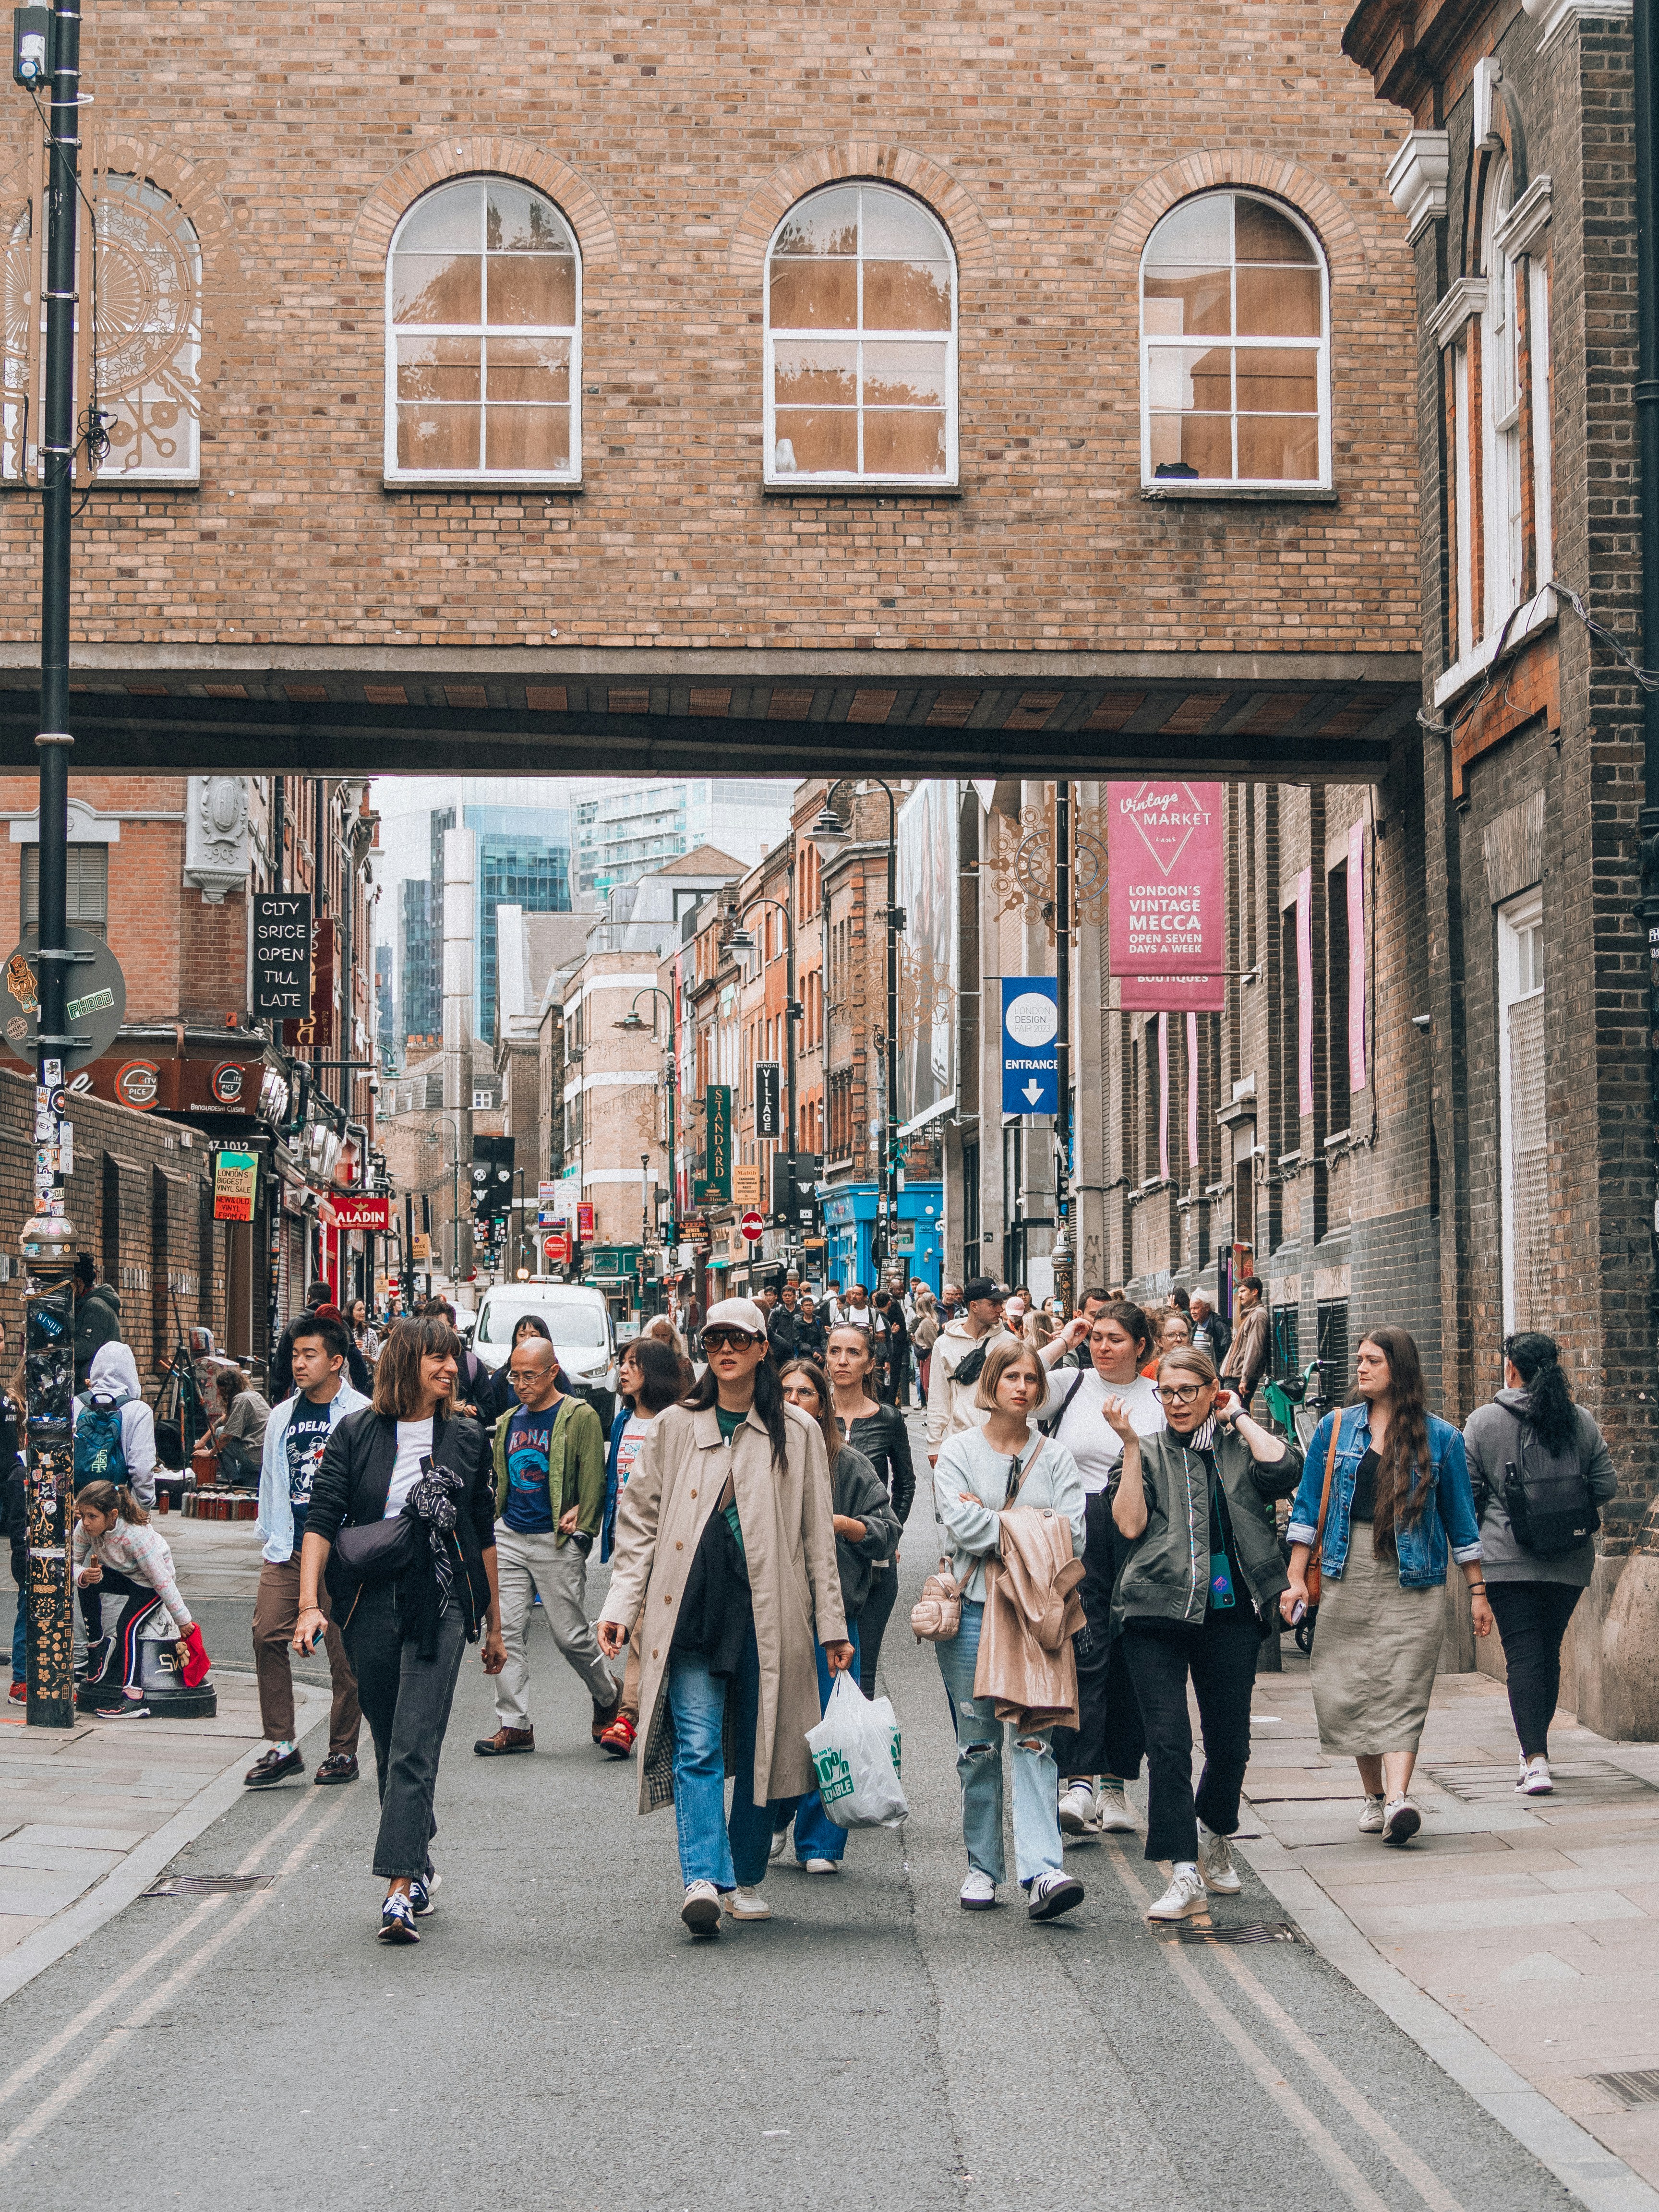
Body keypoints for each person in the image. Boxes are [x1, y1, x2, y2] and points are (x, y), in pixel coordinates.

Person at [596, 1297, 851, 1936]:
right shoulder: (678, 1425)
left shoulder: (796, 1430)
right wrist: (622, 1606)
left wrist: (833, 1626)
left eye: (740, 1339)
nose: (727, 1350)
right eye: (714, 1341)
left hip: (771, 1610)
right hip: (691, 1605)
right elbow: (639, 1524)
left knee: (764, 1746)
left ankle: (745, 1875)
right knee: (700, 1744)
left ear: (765, 1348)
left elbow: (819, 1537)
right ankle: (703, 1879)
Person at [297, 1316, 505, 1945]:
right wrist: (310, 1604)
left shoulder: (466, 1437)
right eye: (436, 1358)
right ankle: (418, 1848)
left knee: (415, 1741)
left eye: (455, 1358)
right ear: (406, 1361)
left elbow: (481, 1528)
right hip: (367, 1600)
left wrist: (494, 1623)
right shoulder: (358, 1432)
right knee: (390, 1740)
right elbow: (322, 1518)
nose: (450, 1368)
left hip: (439, 1598)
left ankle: (398, 1890)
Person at [1112, 1345, 1300, 1920]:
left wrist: (1238, 1414)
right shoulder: (1145, 1450)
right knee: (1168, 1745)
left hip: (1232, 1615)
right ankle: (1183, 1870)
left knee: (1229, 1746)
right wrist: (1127, 1448)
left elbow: (1287, 1470)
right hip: (1155, 1612)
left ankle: (1216, 1831)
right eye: (1165, 1393)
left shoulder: (1239, 1448)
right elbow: (1128, 1524)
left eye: (1187, 1392)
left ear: (1211, 1390)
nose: (1175, 1404)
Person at [1282, 1326, 1489, 1846]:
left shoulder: (1442, 1437)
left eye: (1373, 1360)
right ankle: (1374, 1797)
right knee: (1349, 1687)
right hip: (1346, 1573)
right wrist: (1295, 1578)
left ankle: (1399, 1799)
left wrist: (1479, 1592)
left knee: (1404, 1686)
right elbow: (1308, 1507)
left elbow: (1461, 1522)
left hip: (1414, 1581)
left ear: (1399, 1367)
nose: (1362, 1368)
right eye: (1359, 1360)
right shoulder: (1334, 1428)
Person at [933, 1337, 1086, 1922]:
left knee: (1034, 1737)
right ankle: (982, 1867)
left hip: (1033, 1616)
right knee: (976, 1746)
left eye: (1032, 1378)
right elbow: (960, 1525)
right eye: (1012, 1377)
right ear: (990, 1386)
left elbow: (1071, 1535)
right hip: (972, 1610)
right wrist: (1031, 1526)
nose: (1023, 1387)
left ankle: (1044, 1871)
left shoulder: (1057, 1457)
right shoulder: (959, 1453)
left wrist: (997, 1520)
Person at [1463, 1332, 1616, 1794]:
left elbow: (1467, 1494)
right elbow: (1606, 1488)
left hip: (1507, 1559)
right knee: (1546, 1654)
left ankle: (1535, 1760)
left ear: (1511, 1368)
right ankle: (1537, 1750)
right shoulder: (1581, 1421)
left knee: (1524, 1657)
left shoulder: (1484, 1422)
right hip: (1569, 1562)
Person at [1038, 1299, 1165, 1837]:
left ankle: (1114, 1783)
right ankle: (1079, 1781)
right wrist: (1065, 1339)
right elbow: (999, 1382)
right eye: (1098, 1336)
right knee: (1083, 1652)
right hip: (1078, 1526)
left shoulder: (1160, 1397)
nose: (1102, 1345)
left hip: (1142, 1527)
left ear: (1141, 1346)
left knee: (1133, 1657)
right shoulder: (1069, 1383)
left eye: (1115, 1338)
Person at [776, 1360, 900, 1873]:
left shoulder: (846, 1463)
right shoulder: (758, 1457)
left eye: (805, 1392)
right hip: (776, 1615)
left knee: (832, 1727)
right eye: (784, 1392)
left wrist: (849, 1527)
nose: (793, 1401)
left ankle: (820, 1844)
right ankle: (773, 1819)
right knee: (779, 1726)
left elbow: (887, 1528)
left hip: (834, 1615)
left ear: (822, 1405)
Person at [474, 1334, 617, 1757]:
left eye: (529, 1375)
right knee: (505, 1631)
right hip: (511, 1538)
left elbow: (594, 1478)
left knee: (570, 1636)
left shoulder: (579, 1416)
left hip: (556, 1541)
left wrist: (583, 1532)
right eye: (514, 1375)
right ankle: (514, 1724)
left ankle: (608, 1696)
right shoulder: (508, 1421)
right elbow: (502, 1482)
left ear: (553, 1372)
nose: (520, 1384)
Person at [246, 1314, 369, 1788]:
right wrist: (271, 1539)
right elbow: (271, 1482)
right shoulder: (281, 1415)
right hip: (290, 1547)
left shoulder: (361, 1414)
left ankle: (342, 1751)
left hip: (342, 1551)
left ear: (336, 1361)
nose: (298, 1363)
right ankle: (281, 1746)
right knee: (265, 1637)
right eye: (295, 1354)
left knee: (346, 1653)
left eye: (309, 1354)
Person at [598, 1338, 687, 1758]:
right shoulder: (621, 1422)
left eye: (634, 1364)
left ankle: (629, 1715)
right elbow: (613, 1483)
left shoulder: (675, 1422)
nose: (625, 1370)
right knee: (639, 1627)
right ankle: (641, 1711)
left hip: (666, 1540)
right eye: (623, 1363)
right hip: (626, 1539)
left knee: (642, 1628)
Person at [823, 1321, 914, 1696]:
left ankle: (859, 1749)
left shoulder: (887, 1419)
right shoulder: (807, 1413)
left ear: (869, 1363)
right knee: (820, 1665)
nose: (842, 1361)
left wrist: (892, 1532)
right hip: (821, 1557)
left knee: (863, 1670)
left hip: (872, 1559)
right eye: (835, 1352)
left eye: (853, 1353)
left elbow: (905, 1483)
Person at [72, 1478, 202, 1718]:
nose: (86, 1523)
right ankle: (98, 1646)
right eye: (83, 1515)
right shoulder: (84, 1530)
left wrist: (183, 1620)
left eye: (92, 1516)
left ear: (112, 1515)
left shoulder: (135, 1537)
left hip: (149, 1583)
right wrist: (82, 1574)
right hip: (124, 1575)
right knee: (87, 1583)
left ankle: (135, 1698)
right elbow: (71, 1563)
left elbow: (162, 1580)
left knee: (127, 1626)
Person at [72, 1343, 160, 1675]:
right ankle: (109, 1663)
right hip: (117, 1510)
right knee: (113, 1580)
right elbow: (142, 1468)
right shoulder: (136, 1410)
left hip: (80, 1507)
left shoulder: (76, 1404)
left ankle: (81, 1659)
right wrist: (144, 1507)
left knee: (79, 1577)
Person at [926, 1277, 1015, 1465]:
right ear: (974, 1306)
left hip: (1003, 1442)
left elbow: (1021, 1395)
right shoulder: (945, 1343)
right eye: (994, 1304)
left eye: (1001, 1303)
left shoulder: (1009, 1342)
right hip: (959, 1441)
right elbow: (938, 1397)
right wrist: (935, 1444)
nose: (1001, 1309)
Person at [272, 1281, 372, 1399]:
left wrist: (277, 1394)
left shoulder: (295, 1324)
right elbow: (356, 1361)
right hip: (337, 1393)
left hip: (302, 1393)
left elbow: (282, 1363)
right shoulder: (342, 1325)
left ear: (308, 1298)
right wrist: (365, 1393)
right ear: (330, 1300)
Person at [209, 1368, 271, 1489]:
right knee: (247, 1488)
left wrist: (211, 1453)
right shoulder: (254, 1395)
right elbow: (225, 1419)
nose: (220, 1394)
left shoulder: (241, 1399)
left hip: (254, 1455)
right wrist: (203, 1441)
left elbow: (227, 1437)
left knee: (221, 1432)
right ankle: (242, 1484)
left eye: (221, 1390)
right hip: (264, 1456)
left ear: (229, 1389)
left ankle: (232, 1480)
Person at [72, 1254, 123, 1390]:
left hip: (92, 1386)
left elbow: (86, 1348)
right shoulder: (86, 1304)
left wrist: (55, 1350)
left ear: (78, 1283)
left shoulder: (95, 1307)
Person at [1219, 1278, 1269, 1412]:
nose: (1239, 1295)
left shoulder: (1258, 1316)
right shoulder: (1251, 1315)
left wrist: (1245, 1378)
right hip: (1236, 1377)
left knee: (1235, 1413)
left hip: (1239, 1378)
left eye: (1243, 1291)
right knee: (1236, 1413)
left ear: (1255, 1292)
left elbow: (1255, 1349)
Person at [873, 1290, 910, 1407]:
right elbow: (882, 1340)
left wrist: (891, 1331)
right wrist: (886, 1359)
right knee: (887, 1386)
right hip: (885, 1358)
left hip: (882, 1357)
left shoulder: (879, 1318)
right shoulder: (882, 1318)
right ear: (889, 1303)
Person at [911, 1288, 939, 1399]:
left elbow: (933, 1342)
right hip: (924, 1357)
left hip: (929, 1357)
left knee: (928, 1386)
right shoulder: (924, 1322)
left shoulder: (926, 1322)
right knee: (925, 1385)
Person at [1190, 1293, 1230, 1365]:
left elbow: (1226, 1356)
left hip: (1213, 1374)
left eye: (1196, 1308)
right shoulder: (1194, 1328)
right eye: (1191, 1309)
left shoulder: (1219, 1327)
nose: (1193, 1312)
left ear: (1207, 1308)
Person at [766, 1283, 801, 1366]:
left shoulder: (801, 1311)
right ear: (782, 1296)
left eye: (790, 1295)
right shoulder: (777, 1312)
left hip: (799, 1348)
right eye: (785, 1296)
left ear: (795, 1296)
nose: (787, 1298)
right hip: (783, 1349)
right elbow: (771, 1331)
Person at [794, 1295, 827, 1363]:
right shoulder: (797, 1322)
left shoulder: (818, 1320)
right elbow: (797, 1341)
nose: (809, 1307)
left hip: (818, 1355)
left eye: (810, 1305)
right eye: (806, 1305)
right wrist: (812, 1352)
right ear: (802, 1308)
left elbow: (824, 1338)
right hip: (804, 1356)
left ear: (814, 1307)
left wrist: (822, 1354)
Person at [350, 1298, 382, 1366]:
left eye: (364, 1309)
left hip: (365, 1374)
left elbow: (377, 1361)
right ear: (350, 1312)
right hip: (345, 1375)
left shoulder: (370, 1333)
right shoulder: (343, 1332)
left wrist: (368, 1358)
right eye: (359, 1310)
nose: (363, 1312)